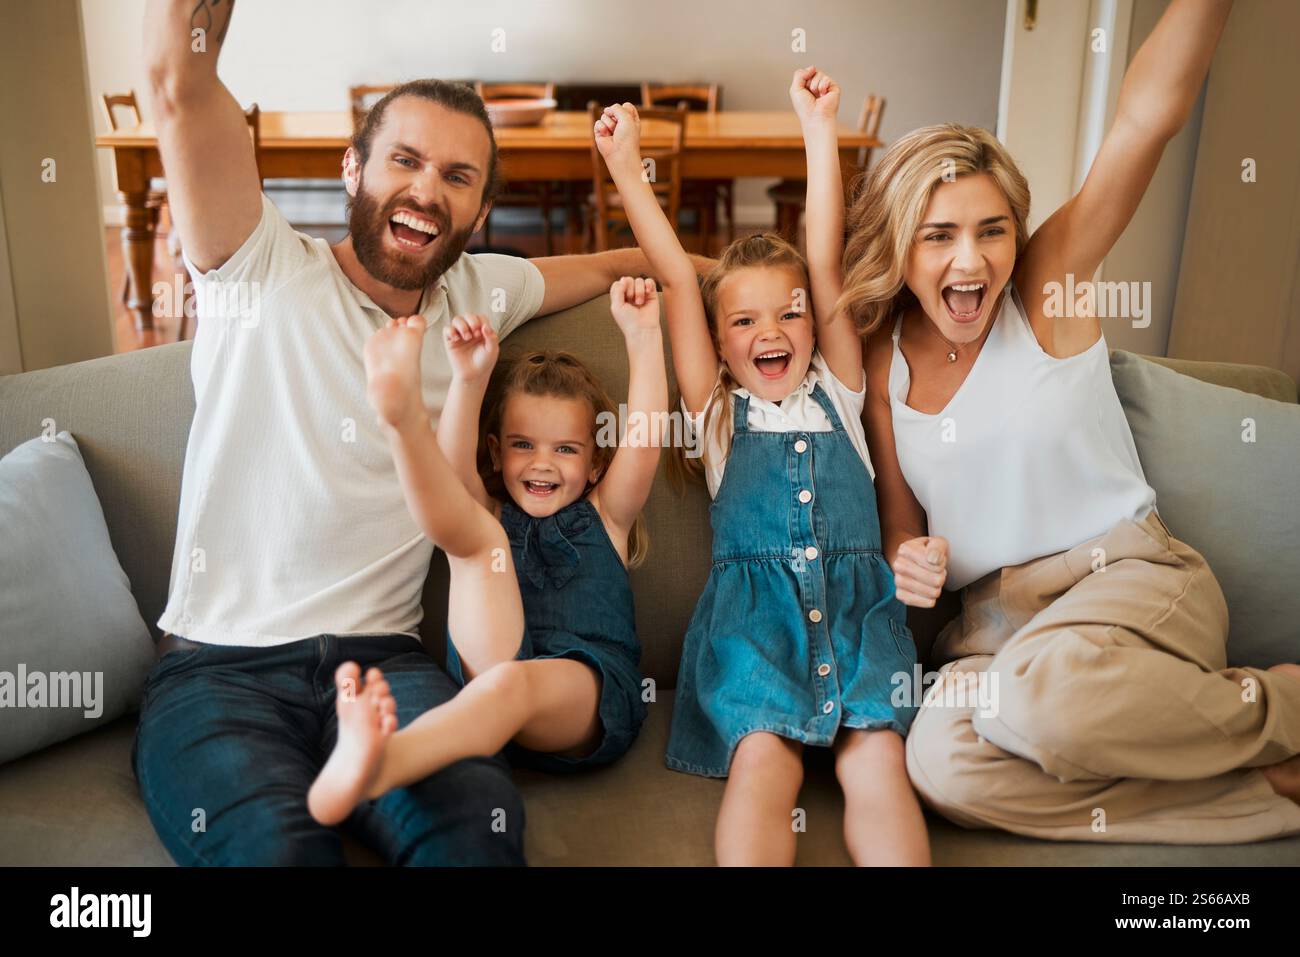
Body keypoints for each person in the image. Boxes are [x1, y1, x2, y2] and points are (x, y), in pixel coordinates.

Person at [134, 0, 710, 865]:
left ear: (479, 216)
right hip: (220, 671)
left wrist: (757, 287)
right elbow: (178, 89)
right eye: (403, 160)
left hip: (388, 667)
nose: (426, 190)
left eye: (457, 176)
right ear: (351, 169)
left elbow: (624, 264)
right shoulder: (253, 264)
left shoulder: (480, 293)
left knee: (473, 844)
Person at [848, 0, 1300, 843]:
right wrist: (906, 562)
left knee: (1037, 700)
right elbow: (899, 531)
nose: (970, 259)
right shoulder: (881, 362)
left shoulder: (1045, 285)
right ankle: (1266, 781)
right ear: (901, 247)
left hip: (1125, 582)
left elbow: (1142, 122)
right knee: (941, 762)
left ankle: (1280, 706)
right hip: (991, 628)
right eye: (939, 235)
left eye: (993, 230)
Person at [595, 70, 926, 866]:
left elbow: (823, 255)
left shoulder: (842, 391)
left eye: (789, 312)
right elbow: (677, 275)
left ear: (814, 320)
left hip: (858, 623)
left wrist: (819, 127)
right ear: (719, 339)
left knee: (878, 758)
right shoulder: (716, 413)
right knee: (761, 763)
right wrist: (625, 163)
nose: (769, 330)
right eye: (743, 319)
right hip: (754, 637)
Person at [307, 277, 665, 825]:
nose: (542, 463)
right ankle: (402, 422)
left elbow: (643, 438)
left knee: (511, 683)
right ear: (496, 452)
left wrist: (643, 336)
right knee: (478, 540)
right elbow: (455, 477)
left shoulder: (607, 515)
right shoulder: (494, 516)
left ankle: (382, 762)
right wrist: (469, 379)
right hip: (485, 679)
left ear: (595, 465)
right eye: (524, 445)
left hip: (579, 695)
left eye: (565, 450)